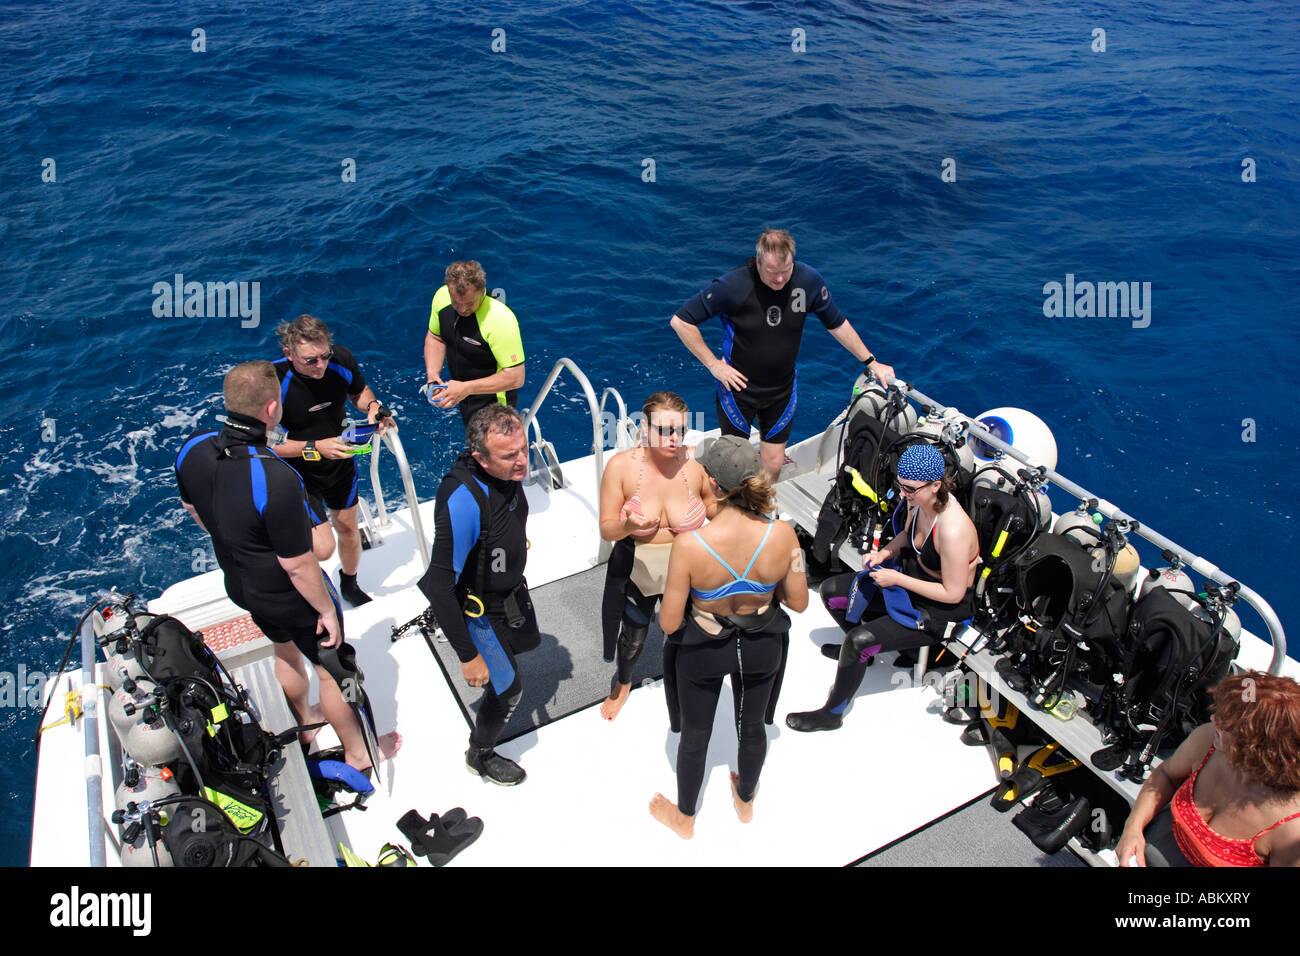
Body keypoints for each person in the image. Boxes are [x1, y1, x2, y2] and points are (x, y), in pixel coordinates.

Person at [174, 361, 400, 773]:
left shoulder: (193, 449)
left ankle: (308, 723)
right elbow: (305, 559)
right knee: (332, 668)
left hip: (241, 583)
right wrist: (328, 611)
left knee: (284, 650)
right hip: (289, 594)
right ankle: (358, 752)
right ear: (272, 409)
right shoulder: (275, 476)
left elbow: (198, 513)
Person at [649, 436, 808, 839]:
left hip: (703, 651)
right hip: (761, 647)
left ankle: (685, 820)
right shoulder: (784, 535)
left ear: (713, 485)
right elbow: (799, 602)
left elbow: (669, 624)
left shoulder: (689, 545)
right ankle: (745, 800)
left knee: (696, 734)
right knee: (752, 726)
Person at [670, 228, 896, 481]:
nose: (779, 280)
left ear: (793, 261)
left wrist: (871, 361)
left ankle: (759, 512)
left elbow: (836, 323)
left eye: (785, 271)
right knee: (732, 464)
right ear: (757, 262)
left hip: (781, 391)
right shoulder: (734, 285)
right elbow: (681, 321)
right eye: (772, 272)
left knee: (774, 465)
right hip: (737, 391)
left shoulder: (808, 281)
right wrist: (714, 365)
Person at [786, 443, 978, 732]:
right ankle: (863, 659)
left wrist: (897, 579)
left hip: (938, 610)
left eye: (911, 489)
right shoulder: (918, 502)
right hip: (911, 583)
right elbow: (905, 535)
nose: (904, 494)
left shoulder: (953, 530)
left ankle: (832, 713)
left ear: (936, 485)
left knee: (858, 641)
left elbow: (954, 593)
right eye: (901, 486)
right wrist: (884, 554)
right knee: (832, 592)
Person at [417, 404, 538, 785]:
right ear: (480, 459)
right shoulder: (464, 498)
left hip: (509, 594)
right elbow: (438, 585)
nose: (522, 461)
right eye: (510, 455)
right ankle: (479, 753)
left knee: (519, 652)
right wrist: (468, 656)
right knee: (509, 691)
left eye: (524, 448)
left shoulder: (508, 474)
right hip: (480, 610)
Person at [597, 392, 715, 721]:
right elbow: (606, 530)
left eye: (681, 431)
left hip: (684, 566)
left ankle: (685, 678)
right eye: (664, 430)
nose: (674, 439)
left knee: (685, 629)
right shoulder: (621, 468)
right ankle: (623, 684)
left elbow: (714, 507)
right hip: (638, 567)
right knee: (633, 636)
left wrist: (735, 506)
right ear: (644, 428)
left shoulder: (693, 467)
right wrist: (626, 525)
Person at [271, 314, 395, 607]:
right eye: (310, 360)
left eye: (324, 356)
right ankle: (301, 586)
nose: (320, 366)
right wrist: (314, 446)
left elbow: (360, 392)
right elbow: (264, 444)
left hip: (339, 460)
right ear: (289, 354)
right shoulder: (274, 381)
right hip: (297, 472)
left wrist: (374, 408)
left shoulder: (340, 360)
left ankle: (349, 583)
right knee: (323, 548)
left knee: (349, 529)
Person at [1117, 670, 1300, 867]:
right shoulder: (1209, 741)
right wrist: (1133, 828)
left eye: (1227, 723)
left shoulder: (1291, 829)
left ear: (1260, 748)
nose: (1214, 720)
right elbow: (1167, 775)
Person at [423, 260, 526, 428]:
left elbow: (516, 377)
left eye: (470, 303)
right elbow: (436, 338)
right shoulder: (442, 298)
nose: (462, 310)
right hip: (463, 393)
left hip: (495, 403)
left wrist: (466, 388)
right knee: (474, 444)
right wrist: (433, 375)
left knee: (493, 450)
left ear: (483, 290)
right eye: (456, 302)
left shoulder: (500, 319)